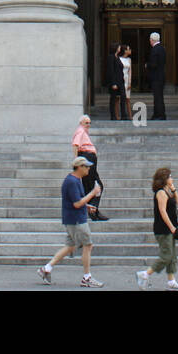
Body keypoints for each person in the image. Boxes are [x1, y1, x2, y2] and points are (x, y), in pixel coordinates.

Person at [37, 156, 104, 287]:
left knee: (70, 246)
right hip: (77, 220)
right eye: (87, 166)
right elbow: (77, 203)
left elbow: (75, 201)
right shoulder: (73, 181)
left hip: (72, 218)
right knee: (88, 245)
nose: (89, 168)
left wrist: (87, 206)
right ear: (79, 167)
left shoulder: (74, 179)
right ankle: (87, 277)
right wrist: (93, 193)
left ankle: (46, 269)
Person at [136, 167, 178, 290]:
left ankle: (171, 281)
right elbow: (163, 212)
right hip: (163, 228)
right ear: (164, 179)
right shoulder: (161, 193)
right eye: (170, 177)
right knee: (166, 255)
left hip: (170, 227)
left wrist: (174, 189)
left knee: (172, 255)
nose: (172, 178)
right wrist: (172, 227)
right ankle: (145, 274)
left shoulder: (168, 191)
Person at [71, 115, 109, 220]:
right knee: (97, 185)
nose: (88, 125)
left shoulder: (83, 132)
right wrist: (76, 160)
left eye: (89, 123)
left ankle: (93, 211)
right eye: (86, 123)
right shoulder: (80, 131)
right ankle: (93, 210)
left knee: (89, 186)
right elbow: (75, 144)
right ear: (81, 123)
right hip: (87, 158)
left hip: (88, 158)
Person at [148, 32, 167, 120]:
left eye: (150, 40)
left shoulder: (155, 49)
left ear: (152, 40)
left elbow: (154, 64)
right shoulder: (162, 48)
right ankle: (159, 114)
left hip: (156, 77)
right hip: (161, 76)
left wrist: (147, 65)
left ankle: (159, 115)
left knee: (157, 97)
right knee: (159, 96)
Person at [108, 44, 127, 121]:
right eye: (118, 47)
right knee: (113, 99)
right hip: (115, 82)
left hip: (120, 81)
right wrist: (113, 83)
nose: (120, 48)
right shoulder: (111, 57)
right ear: (115, 48)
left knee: (123, 97)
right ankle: (113, 116)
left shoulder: (118, 57)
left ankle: (123, 115)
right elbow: (111, 71)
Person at [120, 44, 133, 120]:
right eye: (128, 49)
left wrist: (129, 82)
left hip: (127, 79)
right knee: (119, 98)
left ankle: (130, 115)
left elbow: (130, 71)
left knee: (127, 98)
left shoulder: (129, 60)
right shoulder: (119, 59)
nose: (130, 50)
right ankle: (118, 115)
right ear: (125, 51)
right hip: (121, 79)